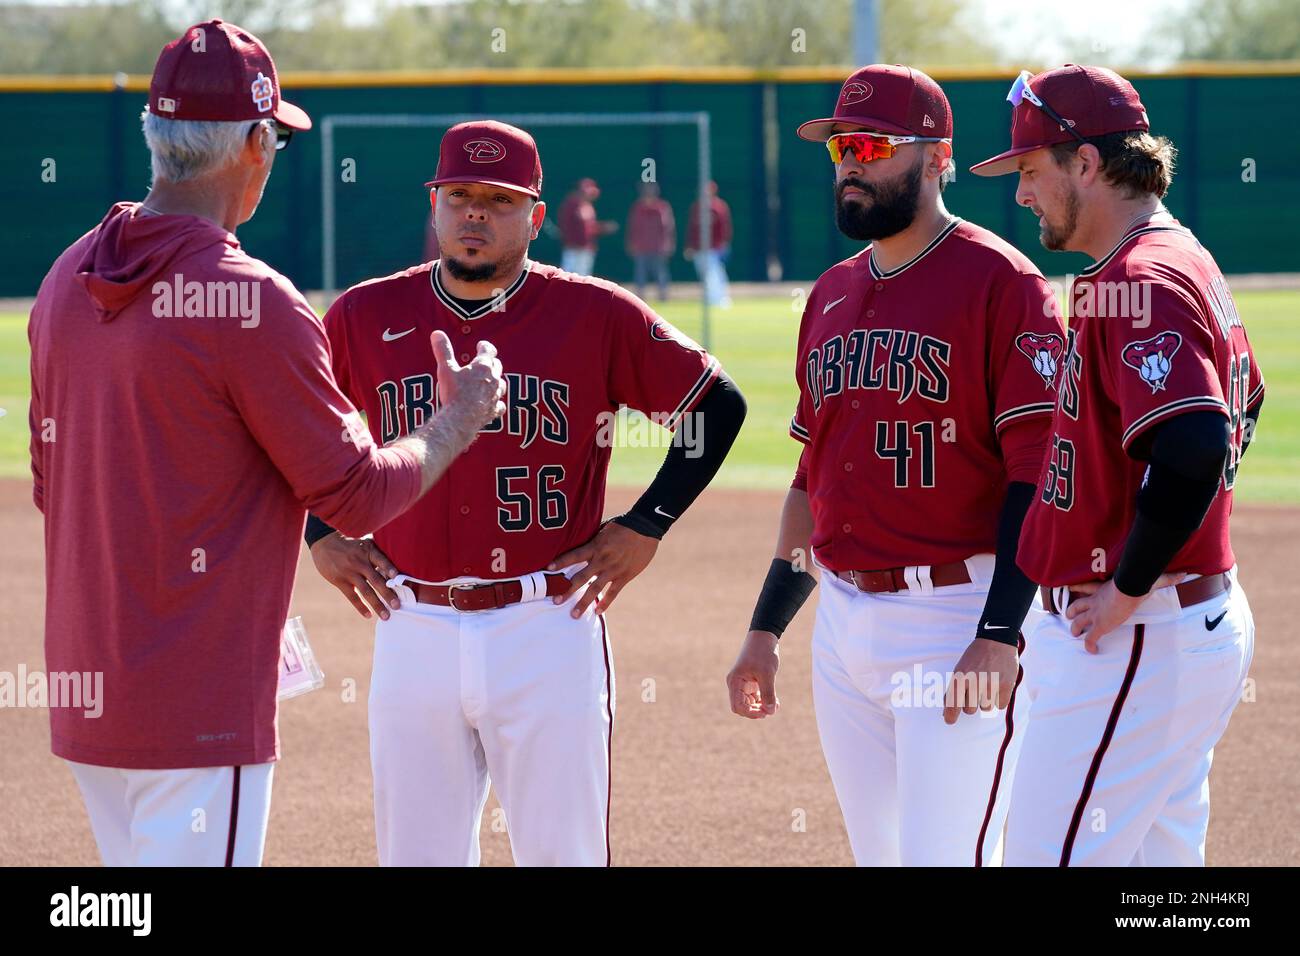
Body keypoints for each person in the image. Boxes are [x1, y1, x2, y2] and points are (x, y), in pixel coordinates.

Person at [27, 20, 505, 867]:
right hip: (197, 707)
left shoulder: (65, 277)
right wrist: (455, 420)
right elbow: (356, 494)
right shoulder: (250, 298)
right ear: (252, 142)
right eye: (274, 137)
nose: (275, 154)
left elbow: (51, 484)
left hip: (90, 692)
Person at [304, 120, 747, 866]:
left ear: (537, 216)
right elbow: (295, 429)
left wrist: (648, 523)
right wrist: (320, 532)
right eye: (460, 196)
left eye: (500, 200)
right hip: (413, 619)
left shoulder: (596, 313)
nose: (476, 214)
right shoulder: (363, 315)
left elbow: (716, 404)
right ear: (435, 205)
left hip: (548, 619)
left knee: (563, 855)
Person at [725, 64, 1066, 866]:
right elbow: (816, 478)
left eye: (872, 145)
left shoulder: (1002, 282)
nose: (850, 162)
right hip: (843, 623)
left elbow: (1038, 474)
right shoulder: (832, 293)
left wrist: (1001, 633)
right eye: (841, 146)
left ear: (938, 157)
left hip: (958, 613)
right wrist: (766, 629)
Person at [971, 64, 1264, 866]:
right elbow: (1244, 408)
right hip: (1177, 625)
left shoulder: (1142, 277)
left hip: (1139, 634)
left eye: (1032, 171)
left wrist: (1130, 583)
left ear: (1088, 164)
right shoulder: (1176, 256)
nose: (1022, 194)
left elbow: (1198, 440)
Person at [685, 181, 733, 307]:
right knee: (704, 274)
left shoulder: (719, 206)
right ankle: (710, 298)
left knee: (715, 274)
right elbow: (692, 229)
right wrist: (690, 246)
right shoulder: (697, 207)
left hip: (714, 248)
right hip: (698, 248)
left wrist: (723, 244)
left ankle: (720, 299)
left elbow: (725, 227)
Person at [625, 182, 675, 301]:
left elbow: (668, 228)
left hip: (658, 247)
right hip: (641, 247)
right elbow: (632, 227)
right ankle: (640, 298)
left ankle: (663, 297)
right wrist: (631, 243)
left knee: (660, 274)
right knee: (640, 274)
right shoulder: (637, 207)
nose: (648, 194)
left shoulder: (662, 207)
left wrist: (669, 245)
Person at [558, 177, 617, 275]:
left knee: (583, 278)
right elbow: (566, 225)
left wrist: (603, 227)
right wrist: (570, 240)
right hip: (572, 248)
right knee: (566, 276)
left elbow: (589, 228)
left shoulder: (587, 206)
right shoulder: (571, 204)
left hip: (586, 248)